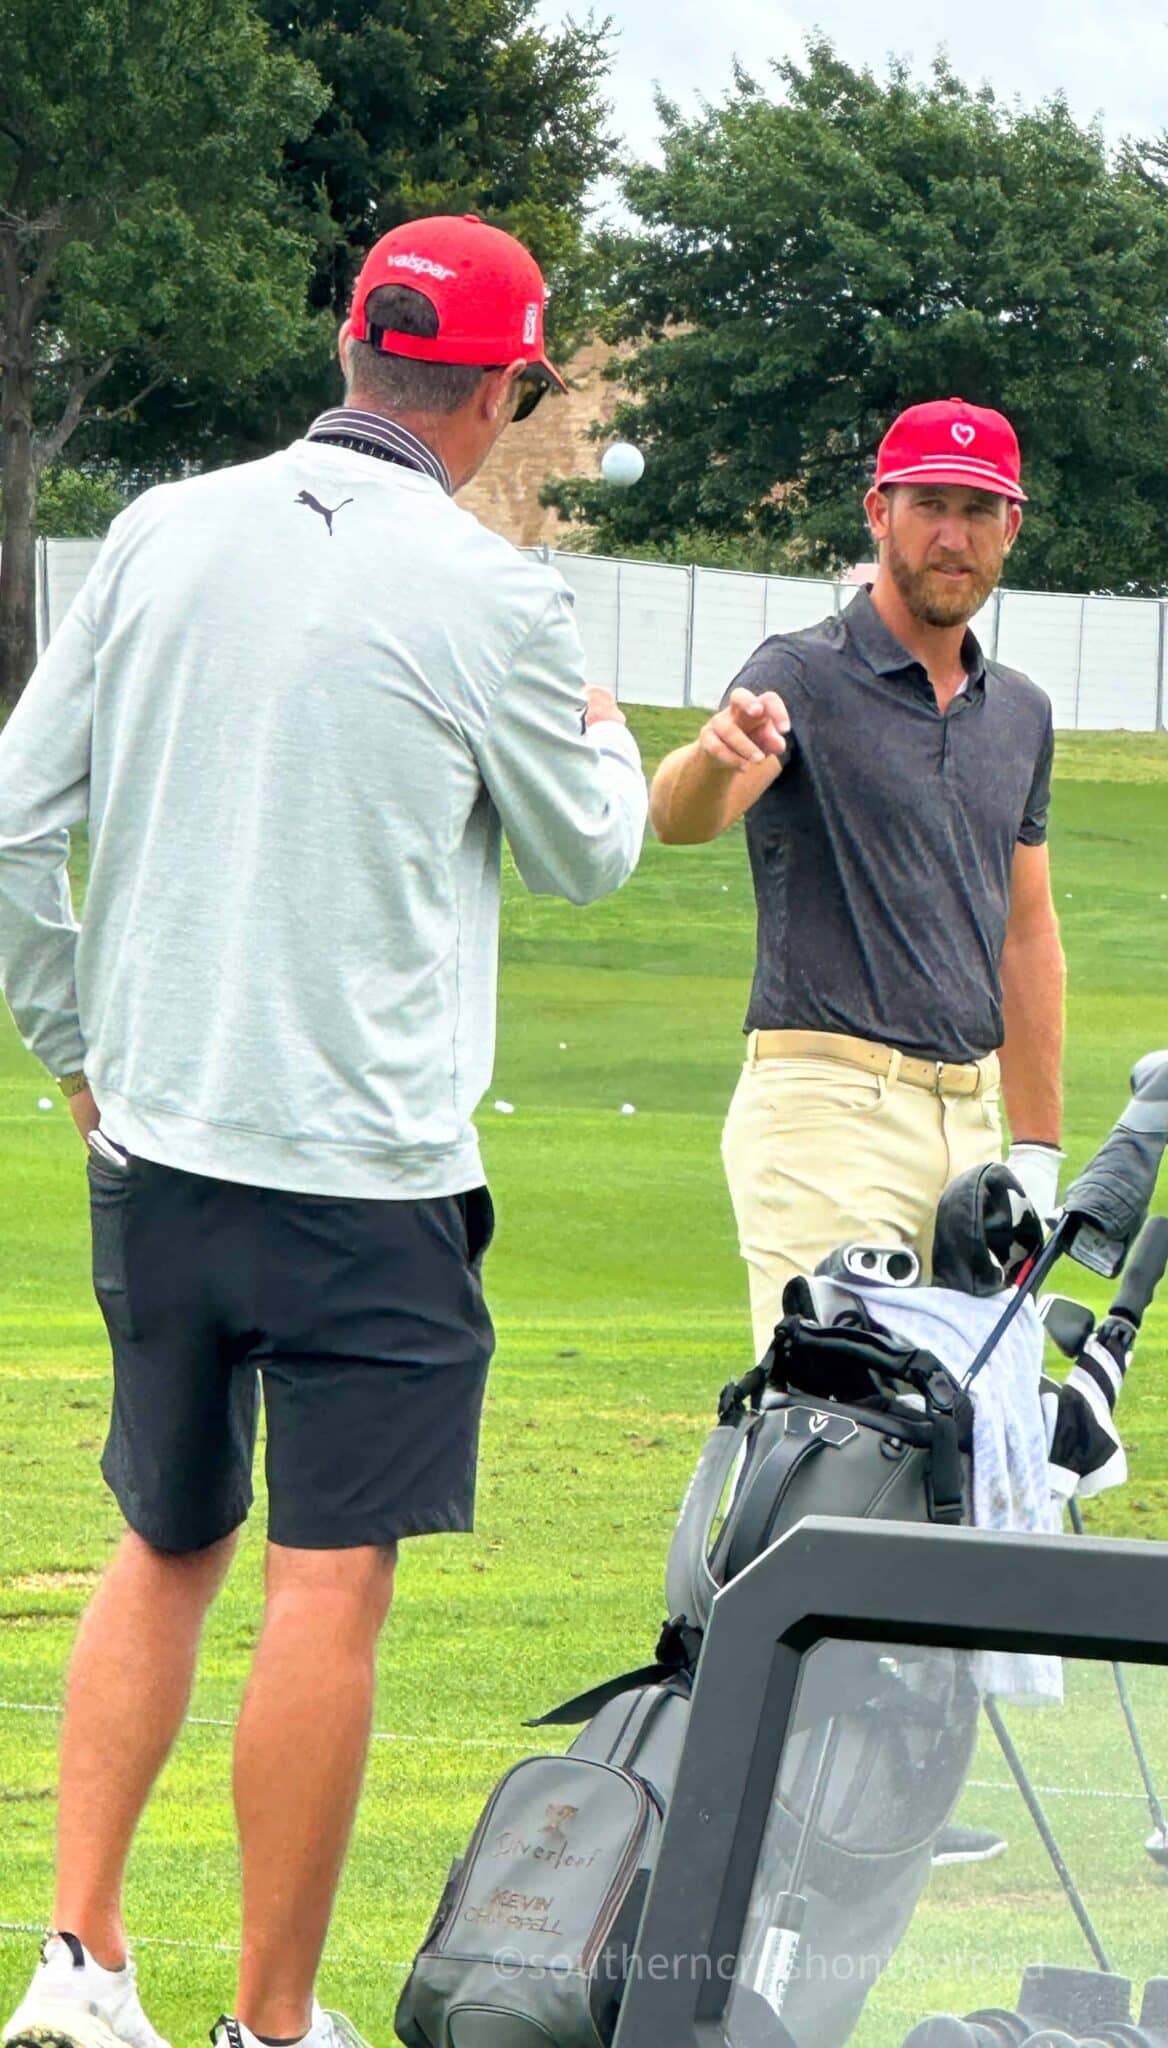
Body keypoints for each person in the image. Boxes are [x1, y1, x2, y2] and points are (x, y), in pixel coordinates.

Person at [0, 215, 646, 2048]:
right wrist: (604, 726)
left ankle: (79, 1963)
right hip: (370, 1181)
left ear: (353, 348)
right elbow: (592, 848)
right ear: (505, 392)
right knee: (326, 1583)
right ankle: (270, 2024)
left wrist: (74, 1047)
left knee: (163, 1540)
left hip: (161, 1152)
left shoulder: (160, 527)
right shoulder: (499, 596)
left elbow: (15, 822)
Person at [649, 396, 1064, 1864]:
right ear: (878, 513)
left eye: (979, 509)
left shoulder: (1019, 712)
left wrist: (1037, 1149)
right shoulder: (797, 674)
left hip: (968, 1119)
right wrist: (717, 754)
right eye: (927, 504)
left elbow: (1026, 932)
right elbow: (683, 815)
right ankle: (756, 1773)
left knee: (959, 1463)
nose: (953, 533)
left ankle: (889, 1790)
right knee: (837, 1443)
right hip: (825, 1100)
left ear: (1011, 529)